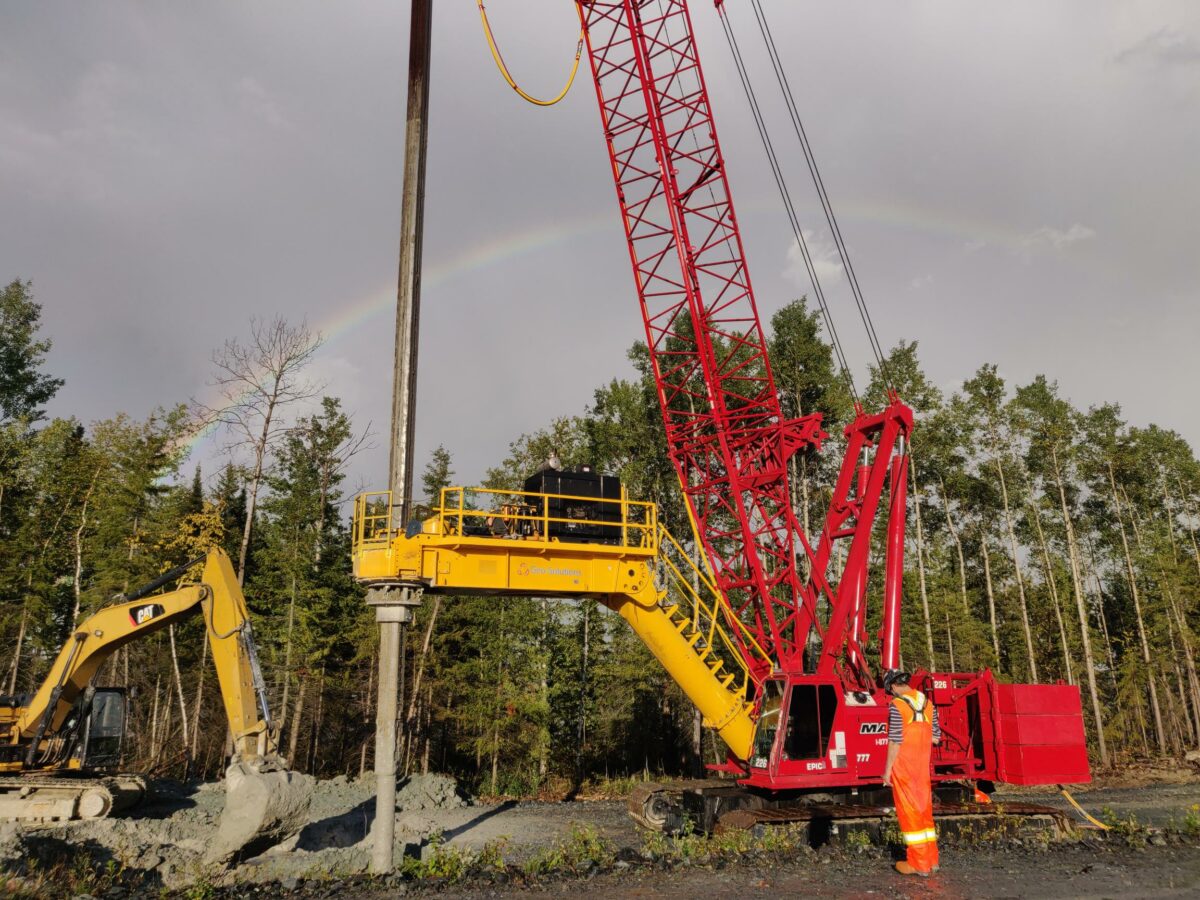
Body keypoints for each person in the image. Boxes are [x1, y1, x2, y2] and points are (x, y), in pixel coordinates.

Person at [881, 669, 941, 876]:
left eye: (890, 690)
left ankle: (918, 864)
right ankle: (932, 860)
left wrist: (887, 770)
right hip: (922, 767)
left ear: (893, 686)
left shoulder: (897, 705)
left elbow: (895, 740)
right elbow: (936, 737)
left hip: (904, 767)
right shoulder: (928, 704)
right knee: (924, 811)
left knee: (910, 812)